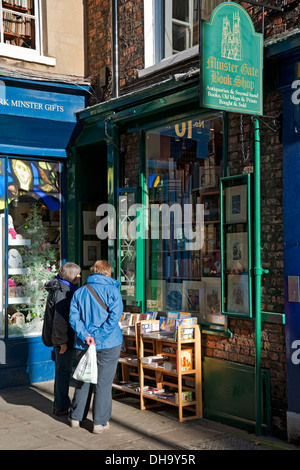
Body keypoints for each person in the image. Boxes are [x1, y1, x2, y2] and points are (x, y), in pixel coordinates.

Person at [68, 260, 123, 434]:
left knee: (83, 379)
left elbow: (73, 318)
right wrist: (97, 337)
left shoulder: (80, 292)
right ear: (107, 273)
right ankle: (99, 423)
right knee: (104, 383)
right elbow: (114, 318)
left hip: (84, 343)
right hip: (108, 343)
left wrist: (86, 336)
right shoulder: (113, 291)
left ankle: (76, 418)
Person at [42, 262, 81, 416]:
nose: (79, 276)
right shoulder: (62, 292)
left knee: (62, 371)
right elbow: (59, 321)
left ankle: (61, 404)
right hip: (63, 340)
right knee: (63, 372)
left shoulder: (62, 288)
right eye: (77, 274)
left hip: (63, 338)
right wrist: (62, 342)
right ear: (71, 276)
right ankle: (61, 406)